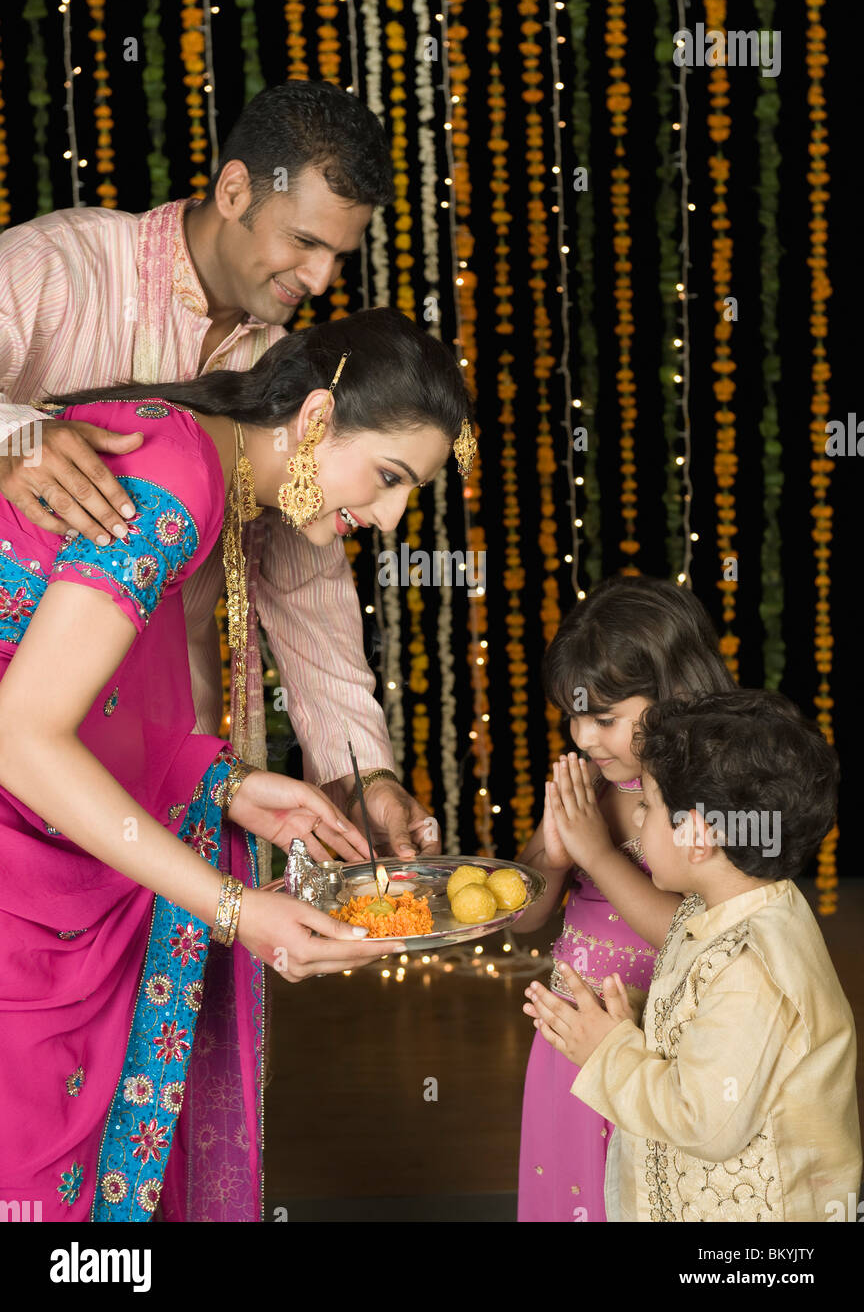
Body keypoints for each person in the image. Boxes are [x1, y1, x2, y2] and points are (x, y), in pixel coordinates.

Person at [0, 306, 475, 1222]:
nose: (386, 516)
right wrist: (233, 907)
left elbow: (83, 695)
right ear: (317, 419)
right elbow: (23, 733)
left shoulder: (198, 466)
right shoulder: (181, 476)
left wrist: (224, 784)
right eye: (388, 477)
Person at [0, 79, 439, 871]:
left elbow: (306, 591)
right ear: (235, 189)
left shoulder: (281, 368)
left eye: (340, 254)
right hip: (27, 758)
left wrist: (361, 771)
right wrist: (14, 439)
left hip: (174, 763)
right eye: (305, 242)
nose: (321, 279)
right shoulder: (64, 269)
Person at [523, 688, 862, 1222]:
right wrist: (635, 1022)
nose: (638, 819)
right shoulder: (735, 909)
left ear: (697, 837)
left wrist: (609, 1051)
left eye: (647, 808)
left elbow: (703, 1121)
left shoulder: (754, 967)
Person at [514, 576, 735, 1222]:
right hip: (567, 1053)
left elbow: (701, 931)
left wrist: (599, 856)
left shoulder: (704, 794)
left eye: (605, 719)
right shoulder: (591, 790)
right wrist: (554, 857)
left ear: (674, 693)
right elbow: (525, 917)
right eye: (574, 716)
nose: (583, 736)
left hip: (655, 1055)